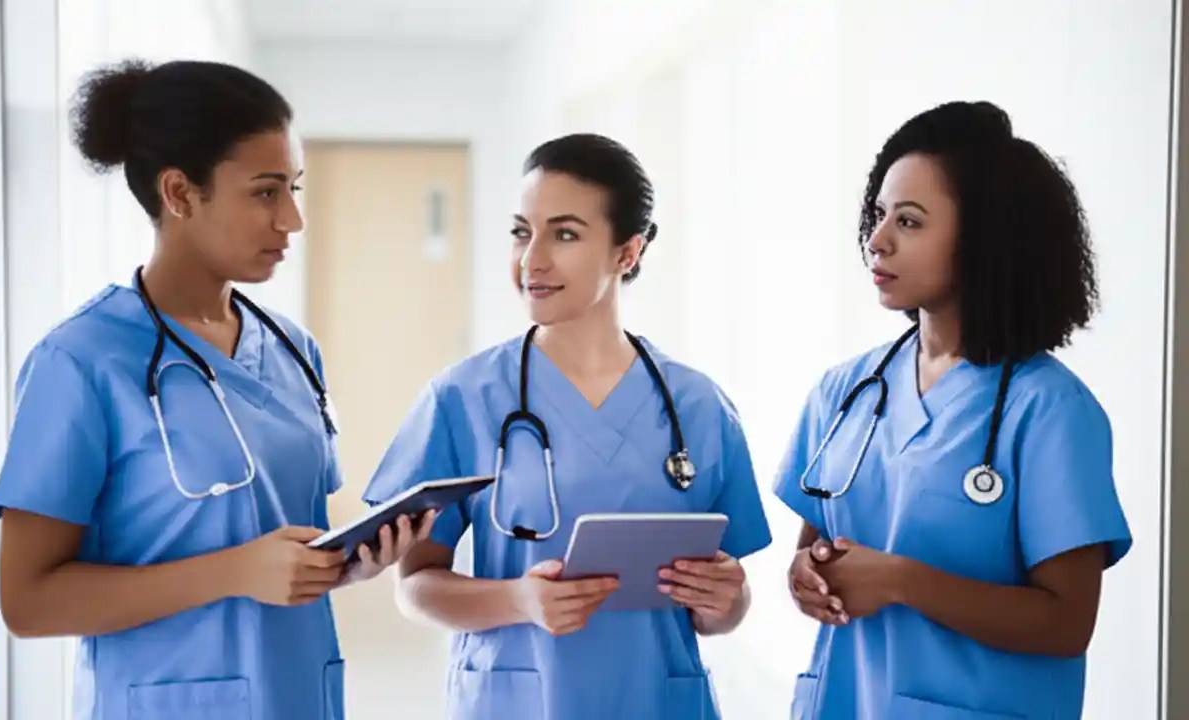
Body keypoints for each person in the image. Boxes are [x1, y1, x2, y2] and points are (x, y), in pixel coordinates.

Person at [0, 58, 434, 720]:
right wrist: (232, 572)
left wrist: (348, 563)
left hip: (296, 693)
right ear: (179, 193)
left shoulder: (291, 351)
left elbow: (277, 541)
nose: (291, 220)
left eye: (295, 189)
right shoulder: (81, 361)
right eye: (264, 192)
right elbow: (27, 603)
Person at [361, 133, 772, 720]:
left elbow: (722, 610)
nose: (533, 260)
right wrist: (518, 600)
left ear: (627, 253)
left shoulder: (699, 406)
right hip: (519, 701)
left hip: (656, 699)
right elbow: (416, 586)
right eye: (522, 232)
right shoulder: (463, 397)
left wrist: (726, 600)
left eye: (566, 234)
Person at [774, 101, 1132, 719]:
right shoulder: (847, 390)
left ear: (986, 239)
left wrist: (900, 582)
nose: (877, 239)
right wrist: (804, 575)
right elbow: (818, 553)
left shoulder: (1049, 410)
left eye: (909, 222)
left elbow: (1066, 623)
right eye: (879, 215)